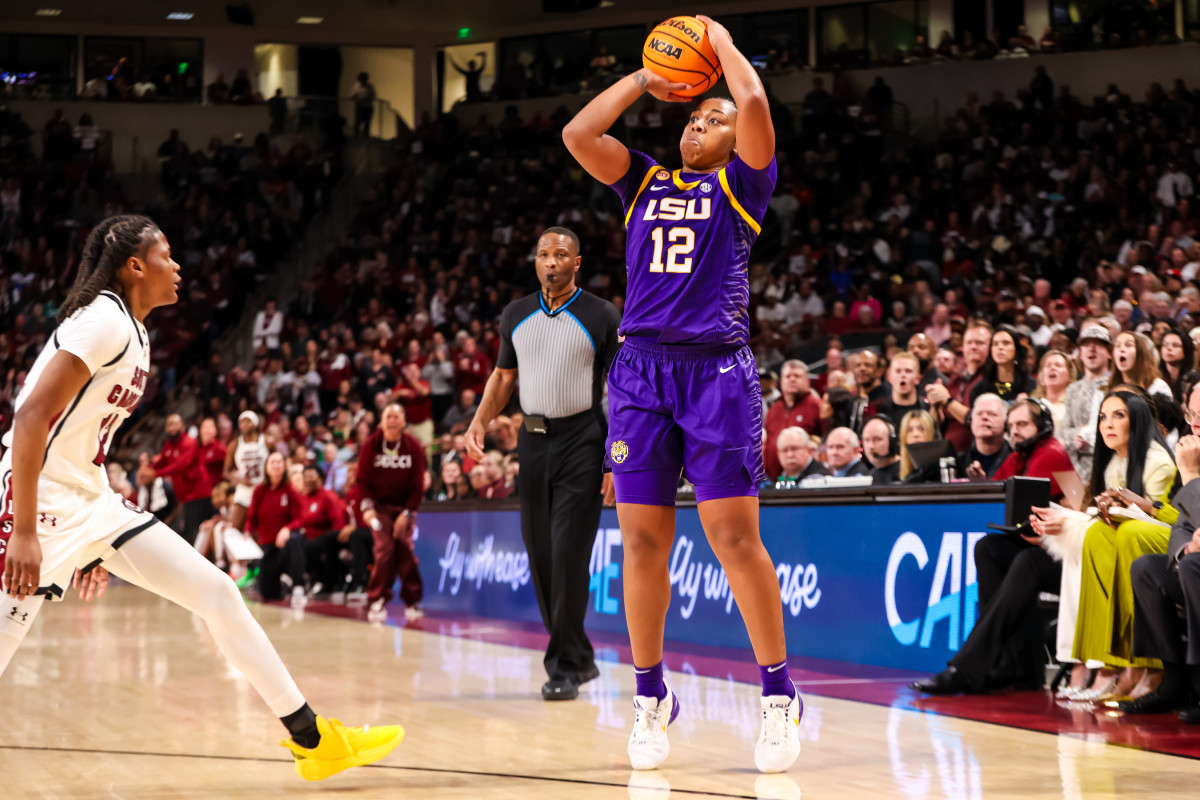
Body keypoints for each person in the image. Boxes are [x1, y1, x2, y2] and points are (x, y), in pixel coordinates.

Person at [0, 215, 401, 780]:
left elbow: (77, 434)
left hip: (89, 502)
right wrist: (23, 530)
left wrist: (92, 542)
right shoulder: (103, 321)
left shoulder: (133, 330)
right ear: (135, 266)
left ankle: (314, 740)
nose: (178, 264)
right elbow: (30, 419)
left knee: (216, 591)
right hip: (35, 500)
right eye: (167, 254)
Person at [562, 16, 801, 773]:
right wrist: (644, 79)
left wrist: (723, 48)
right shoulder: (643, 181)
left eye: (712, 119)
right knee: (640, 542)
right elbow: (577, 133)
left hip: (716, 374)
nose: (699, 126)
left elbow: (755, 104)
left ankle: (777, 693)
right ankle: (650, 695)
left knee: (733, 539)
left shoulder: (744, 184)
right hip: (640, 373)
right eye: (694, 117)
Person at [466, 227, 620, 702]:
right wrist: (479, 421)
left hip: (584, 440)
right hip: (531, 444)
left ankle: (564, 667)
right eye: (542, 255)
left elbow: (620, 390)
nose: (550, 261)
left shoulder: (601, 314)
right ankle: (581, 656)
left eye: (560, 254)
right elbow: (502, 375)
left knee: (568, 554)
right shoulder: (515, 313)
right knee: (542, 557)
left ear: (577, 263)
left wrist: (615, 458)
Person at [911, 398, 1080, 695]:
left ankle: (965, 668)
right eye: (1012, 425)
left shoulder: (1051, 453)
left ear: (1042, 427)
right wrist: (985, 481)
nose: (1014, 431)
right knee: (989, 548)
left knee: (1025, 560)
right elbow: (1000, 490)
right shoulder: (1021, 454)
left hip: (1068, 552)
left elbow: (1045, 500)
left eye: (1022, 425)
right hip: (1042, 546)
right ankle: (1014, 668)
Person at [1033, 390, 1176, 696]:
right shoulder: (1113, 465)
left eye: (1118, 415)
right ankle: (1099, 662)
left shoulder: (1159, 462)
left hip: (1163, 542)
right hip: (1127, 537)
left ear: (1137, 421)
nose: (1107, 424)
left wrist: (1081, 517)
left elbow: (1165, 519)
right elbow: (1099, 514)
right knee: (1093, 534)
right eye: (1102, 417)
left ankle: (1134, 664)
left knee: (1114, 534)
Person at [1119, 432, 1200, 719]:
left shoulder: (1191, 465)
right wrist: (1186, 548)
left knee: (1192, 567)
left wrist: (1190, 474)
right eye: (1192, 416)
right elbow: (1182, 525)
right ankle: (1173, 681)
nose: (1196, 425)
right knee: (1147, 569)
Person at [354, 404, 426, 623]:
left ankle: (412, 601)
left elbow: (417, 486)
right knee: (384, 550)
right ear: (381, 422)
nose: (392, 420)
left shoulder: (414, 447)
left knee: (406, 551)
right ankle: (377, 599)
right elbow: (361, 482)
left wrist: (407, 513)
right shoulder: (371, 446)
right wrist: (366, 508)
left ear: (404, 421)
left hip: (404, 508)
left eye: (396, 416)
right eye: (388, 416)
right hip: (378, 509)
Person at [247, 451, 306, 605]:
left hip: (284, 544)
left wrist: (287, 528)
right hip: (266, 545)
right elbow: (252, 517)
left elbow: (299, 519)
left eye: (279, 462)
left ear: (284, 466)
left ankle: (298, 586)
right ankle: (281, 582)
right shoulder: (259, 491)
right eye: (272, 462)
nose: (276, 465)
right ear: (267, 467)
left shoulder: (289, 490)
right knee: (267, 593)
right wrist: (246, 532)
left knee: (294, 540)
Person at [1062, 323, 1113, 482]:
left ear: (1109, 353)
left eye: (1098, 344)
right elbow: (1064, 429)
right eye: (1086, 344)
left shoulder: (1114, 387)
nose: (1091, 349)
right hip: (1075, 468)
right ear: (1080, 353)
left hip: (1106, 467)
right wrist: (1075, 436)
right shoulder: (1072, 389)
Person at [149, 414, 207, 546]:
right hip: (182, 496)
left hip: (196, 494)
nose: (172, 427)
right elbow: (162, 462)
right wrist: (148, 469)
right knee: (184, 529)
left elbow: (180, 465)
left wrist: (154, 474)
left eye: (175, 423)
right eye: (169, 424)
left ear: (182, 426)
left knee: (191, 531)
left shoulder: (190, 442)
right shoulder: (169, 444)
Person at [763, 360, 822, 479]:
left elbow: (826, 440)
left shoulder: (817, 406)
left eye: (797, 376)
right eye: (788, 376)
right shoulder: (774, 409)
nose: (792, 379)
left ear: (807, 381)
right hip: (773, 479)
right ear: (781, 381)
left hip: (807, 479)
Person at [224, 410, 269, 535]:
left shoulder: (267, 442)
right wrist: (240, 480)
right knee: (235, 528)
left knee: (261, 526)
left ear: (255, 424)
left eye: (247, 421)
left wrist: (268, 479)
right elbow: (225, 472)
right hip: (244, 488)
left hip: (262, 487)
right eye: (241, 422)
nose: (244, 425)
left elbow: (275, 462)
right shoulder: (234, 445)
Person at [861, 415, 900, 484]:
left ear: (892, 441)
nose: (871, 446)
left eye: (877, 439)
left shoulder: (907, 472)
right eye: (866, 440)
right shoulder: (869, 477)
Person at [351, 72, 376, 137]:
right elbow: (352, 96)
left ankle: (365, 136)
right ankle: (356, 136)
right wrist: (357, 98)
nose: (362, 81)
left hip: (368, 107)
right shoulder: (356, 86)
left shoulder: (370, 87)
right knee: (358, 122)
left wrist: (365, 99)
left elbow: (373, 97)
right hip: (360, 106)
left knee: (367, 123)